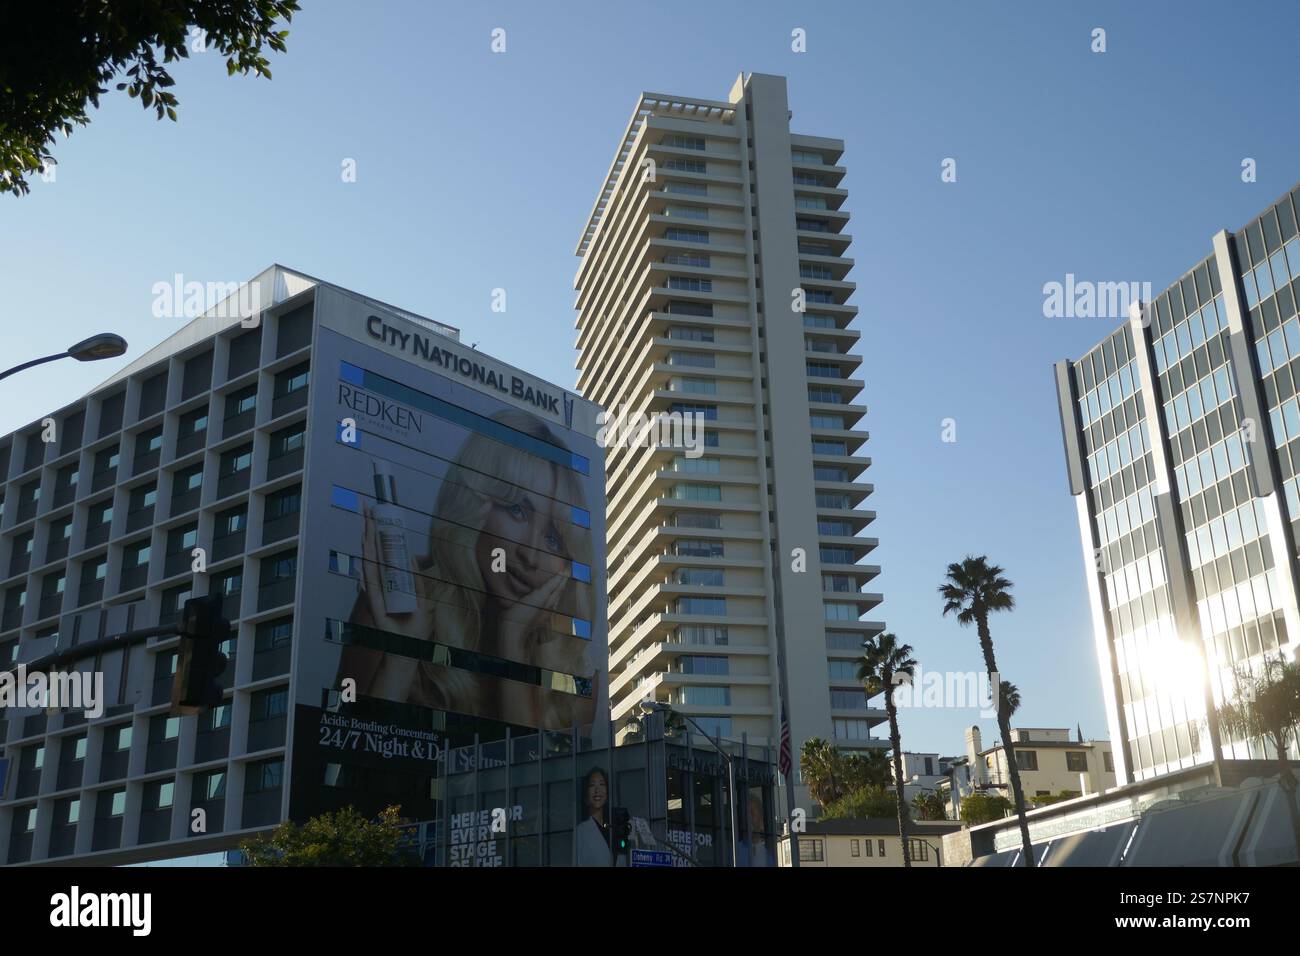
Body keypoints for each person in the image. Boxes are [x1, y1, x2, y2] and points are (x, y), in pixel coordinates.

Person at [340, 408, 598, 729]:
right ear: (473, 505)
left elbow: (537, 776)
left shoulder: (578, 675)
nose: (530, 554)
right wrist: (402, 659)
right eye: (517, 510)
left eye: (552, 538)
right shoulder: (398, 605)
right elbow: (340, 759)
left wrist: (512, 640)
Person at [575, 766, 618, 867]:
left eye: (602, 784)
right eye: (592, 785)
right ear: (586, 793)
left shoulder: (614, 828)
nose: (597, 790)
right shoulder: (581, 831)